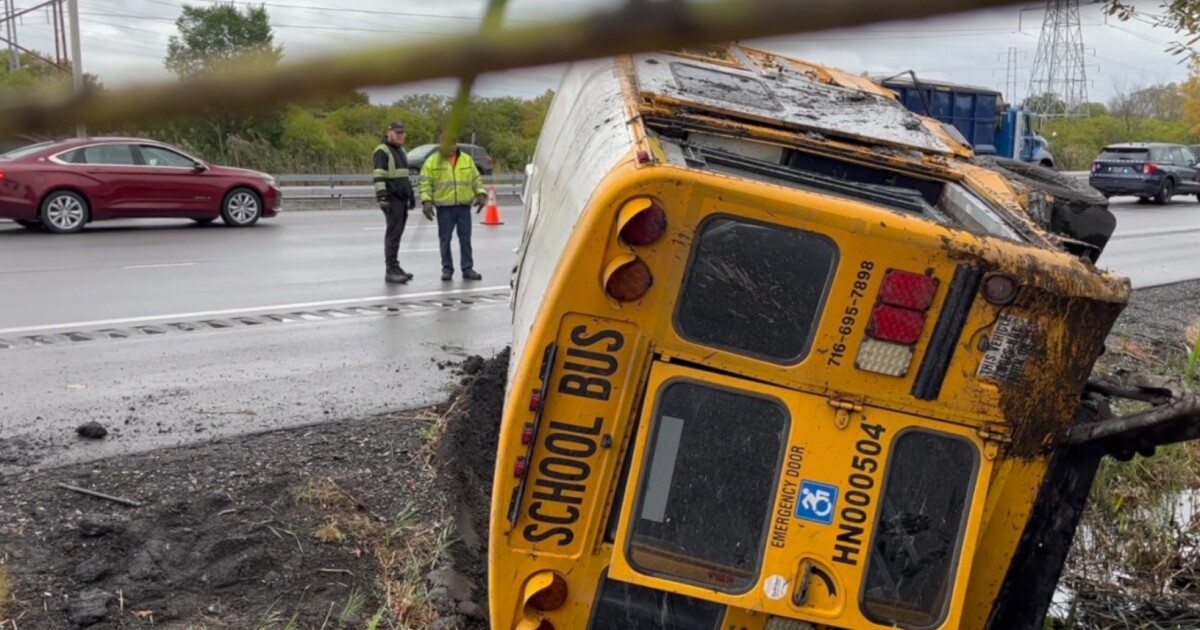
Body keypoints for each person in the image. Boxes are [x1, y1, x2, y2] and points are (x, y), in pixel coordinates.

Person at [419, 135, 488, 281]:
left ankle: (467, 268)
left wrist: (481, 194)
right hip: (444, 208)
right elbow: (425, 183)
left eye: (453, 143)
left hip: (463, 207)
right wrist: (426, 201)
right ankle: (447, 268)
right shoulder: (432, 162)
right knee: (445, 239)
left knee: (465, 239)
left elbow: (476, 179)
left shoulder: (466, 159)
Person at [373, 121, 417, 284]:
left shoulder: (401, 150)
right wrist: (382, 197)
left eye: (402, 133)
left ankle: (395, 266)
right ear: (389, 132)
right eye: (397, 132)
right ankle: (390, 270)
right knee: (393, 235)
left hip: (401, 198)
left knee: (397, 234)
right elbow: (379, 175)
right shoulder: (382, 151)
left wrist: (410, 195)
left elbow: (404, 177)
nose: (400, 135)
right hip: (391, 199)